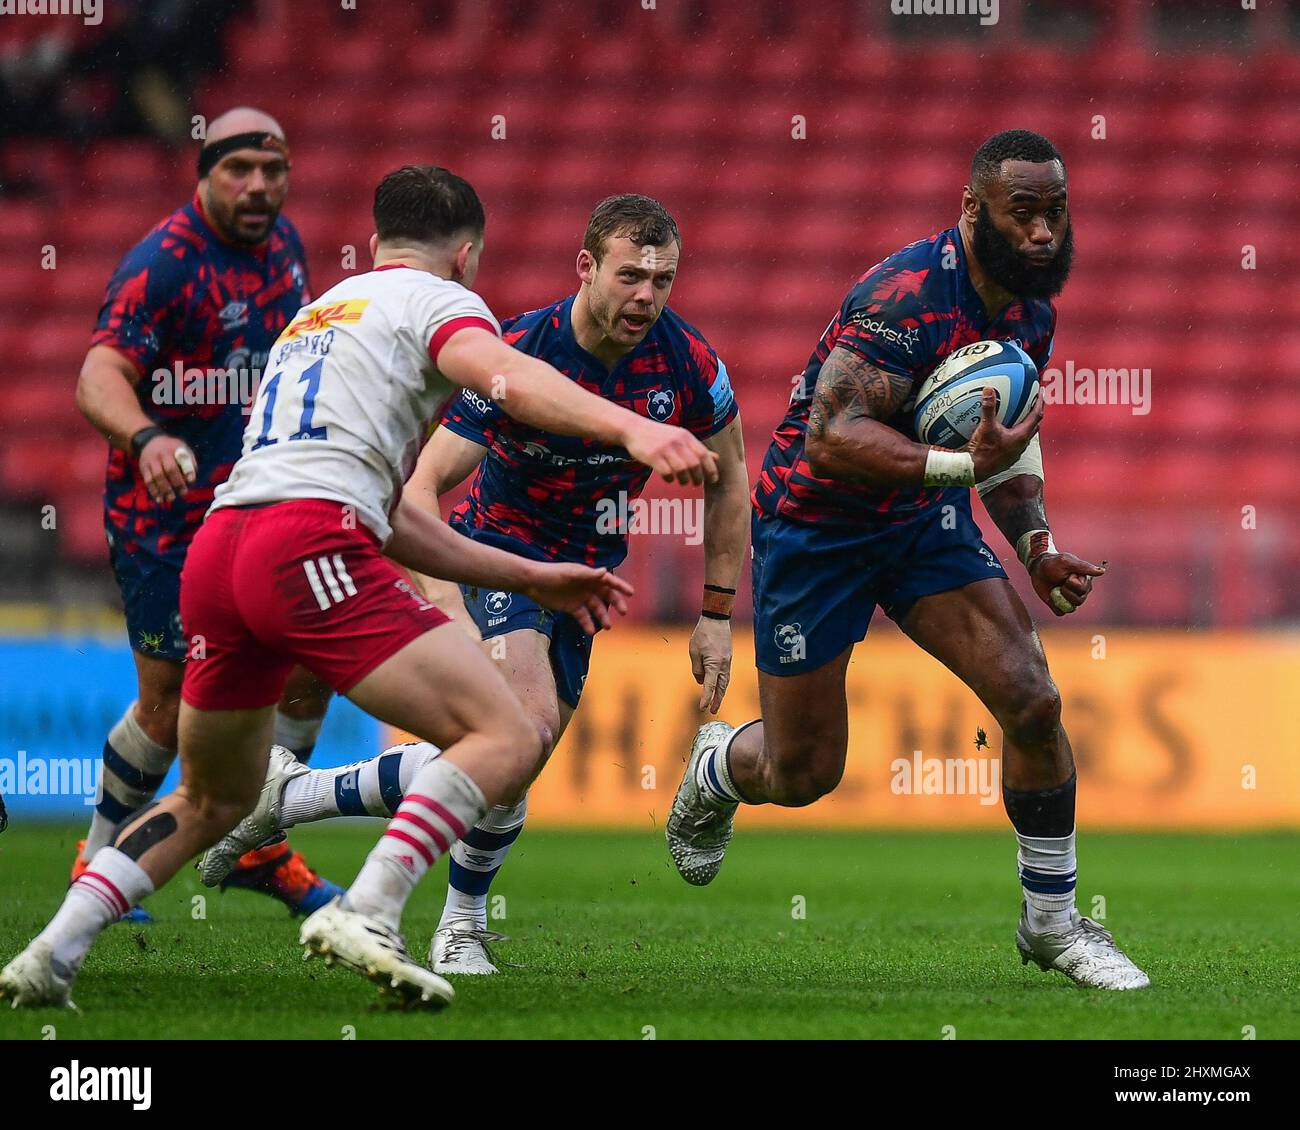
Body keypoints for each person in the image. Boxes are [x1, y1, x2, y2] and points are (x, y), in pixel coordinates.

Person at [0, 164, 717, 1010]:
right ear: (467, 255)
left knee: (208, 796)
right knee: (507, 734)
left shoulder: (317, 313)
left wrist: (532, 578)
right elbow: (513, 380)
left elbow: (393, 514)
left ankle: (53, 949)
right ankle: (370, 910)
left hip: (222, 550)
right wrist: (638, 427)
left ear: (375, 243)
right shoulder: (439, 303)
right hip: (308, 545)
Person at [195, 194, 750, 977]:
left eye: (663, 280)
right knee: (514, 735)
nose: (647, 298)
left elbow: (730, 482)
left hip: (581, 583)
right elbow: (421, 488)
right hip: (498, 555)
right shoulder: (522, 350)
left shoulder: (689, 364)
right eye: (631, 276)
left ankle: (285, 802)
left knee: (517, 759)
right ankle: (455, 927)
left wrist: (717, 615)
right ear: (586, 268)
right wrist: (448, 596)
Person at [666, 129, 1149, 991]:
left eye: (1056, 213)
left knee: (1033, 701)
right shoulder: (904, 296)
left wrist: (1034, 543)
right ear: (973, 210)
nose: (1044, 234)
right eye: (1024, 214)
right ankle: (718, 765)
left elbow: (999, 444)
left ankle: (1052, 925)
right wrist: (966, 469)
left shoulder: (1030, 311)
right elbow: (831, 437)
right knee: (803, 772)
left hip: (921, 521)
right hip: (815, 529)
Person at [72, 106, 340, 919]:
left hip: (257, 507)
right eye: (239, 171)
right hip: (163, 521)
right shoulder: (163, 266)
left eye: (273, 170)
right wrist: (147, 436)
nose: (258, 187)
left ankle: (256, 840)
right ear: (205, 173)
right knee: (167, 703)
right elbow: (95, 378)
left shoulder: (287, 250)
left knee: (309, 668)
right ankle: (99, 855)